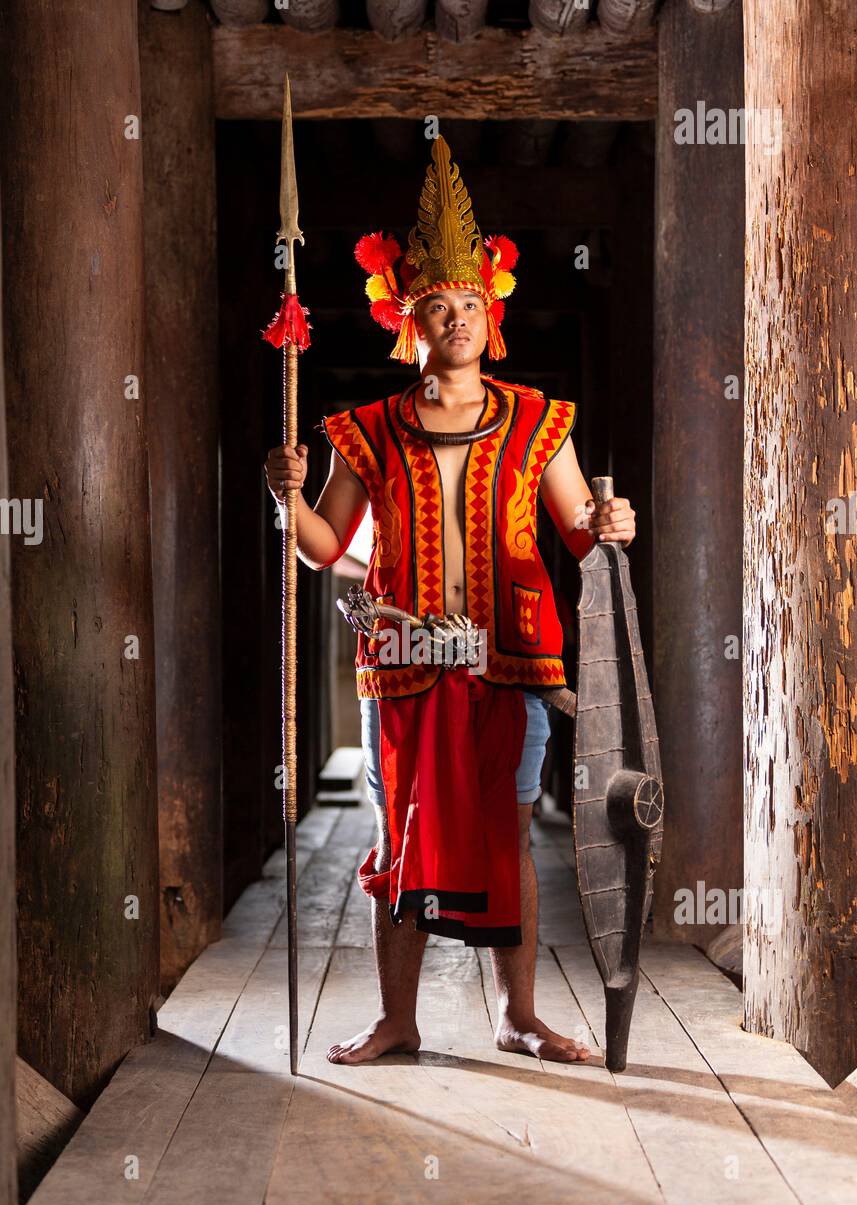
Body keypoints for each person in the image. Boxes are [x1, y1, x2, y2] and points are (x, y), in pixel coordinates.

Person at [266, 136, 635, 1066]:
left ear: (489, 310)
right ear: (412, 318)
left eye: (470, 302)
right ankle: (399, 1018)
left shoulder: (539, 419)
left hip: (510, 657)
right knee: (402, 835)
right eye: (439, 304)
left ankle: (518, 1014)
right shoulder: (366, 431)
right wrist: (285, 496)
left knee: (507, 834)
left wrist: (616, 522)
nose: (458, 318)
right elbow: (321, 550)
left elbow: (581, 534)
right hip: (401, 662)